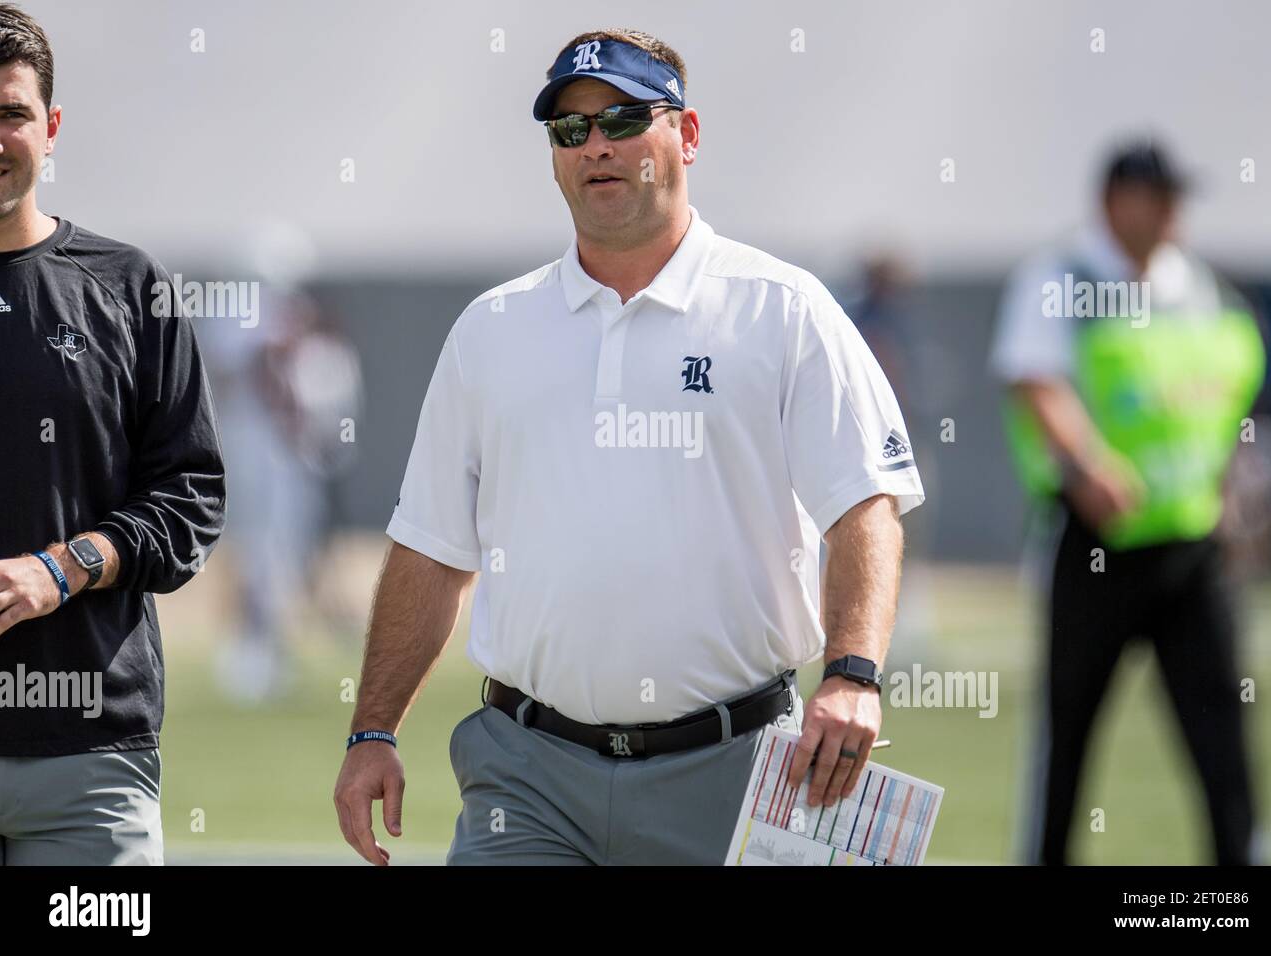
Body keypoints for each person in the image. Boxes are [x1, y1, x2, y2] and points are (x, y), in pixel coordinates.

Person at [333, 28, 924, 865]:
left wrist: (853, 675)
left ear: (685, 134)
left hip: (737, 771)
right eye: (570, 130)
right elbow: (431, 551)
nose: (596, 147)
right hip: (527, 773)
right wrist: (372, 730)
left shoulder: (782, 310)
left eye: (620, 119)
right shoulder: (491, 330)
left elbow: (865, 505)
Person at [990, 140, 1264, 865]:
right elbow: (1034, 378)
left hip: (1189, 544)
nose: (1176, 213)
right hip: (1093, 542)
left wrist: (1234, 491)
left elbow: (1222, 394)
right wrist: (1088, 466)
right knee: (1068, 731)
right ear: (1117, 201)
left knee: (1223, 735)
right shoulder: (1062, 277)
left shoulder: (1199, 287)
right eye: (1161, 196)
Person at [0, 5, 226, 865]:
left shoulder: (130, 288)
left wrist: (63, 568)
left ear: (50, 128)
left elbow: (191, 500)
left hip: (91, 758)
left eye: (10, 114)